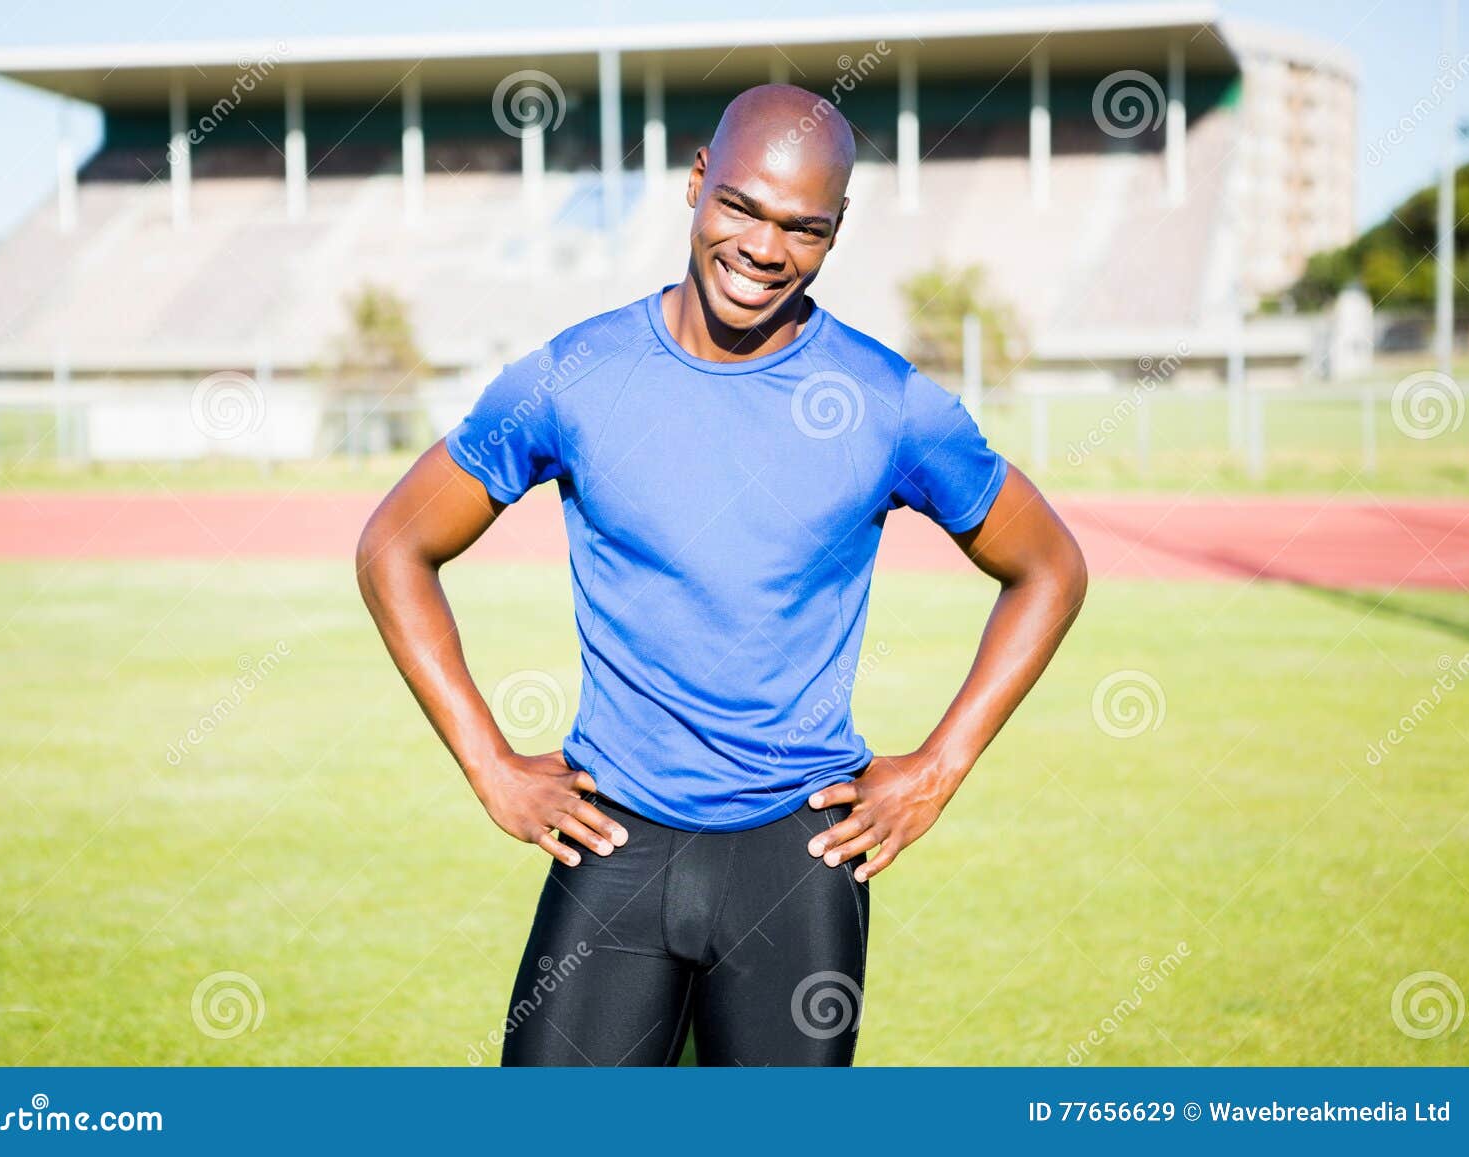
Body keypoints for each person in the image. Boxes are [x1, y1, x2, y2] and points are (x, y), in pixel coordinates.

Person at [356, 84, 1087, 1066]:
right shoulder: (575, 375)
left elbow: (1049, 568)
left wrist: (936, 769)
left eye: (803, 228)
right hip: (610, 843)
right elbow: (393, 547)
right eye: (741, 206)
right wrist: (488, 764)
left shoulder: (888, 404)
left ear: (836, 230)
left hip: (800, 862)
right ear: (698, 179)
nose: (764, 248)